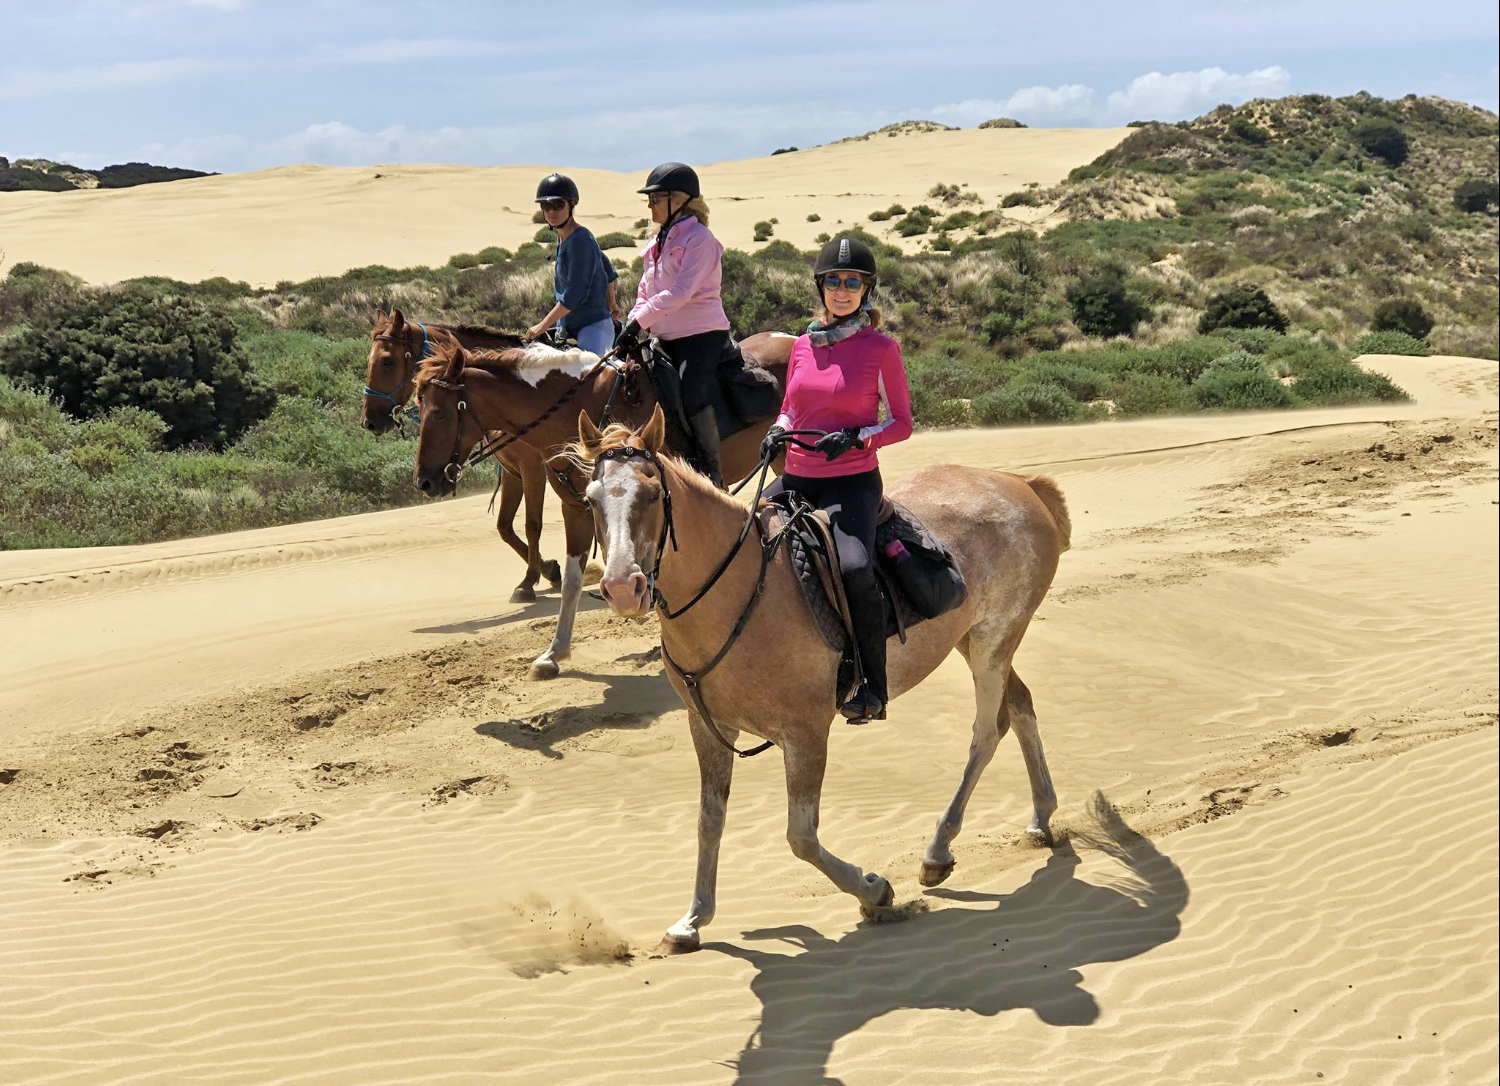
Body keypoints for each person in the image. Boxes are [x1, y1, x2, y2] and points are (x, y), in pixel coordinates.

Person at [759, 236, 912, 723]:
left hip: (851, 482)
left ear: (866, 290)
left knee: (854, 568)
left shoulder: (882, 349)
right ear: (821, 288)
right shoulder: (803, 345)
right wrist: (778, 429)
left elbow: (902, 423)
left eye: (852, 282)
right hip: (797, 476)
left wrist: (857, 439)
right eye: (833, 282)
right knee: (740, 538)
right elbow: (791, 406)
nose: (841, 291)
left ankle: (872, 686)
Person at [615, 161, 731, 487]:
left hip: (702, 334)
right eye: (649, 199)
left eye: (656, 198)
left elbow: (680, 292)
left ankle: (711, 469)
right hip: (664, 334)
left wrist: (640, 322)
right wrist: (633, 323)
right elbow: (645, 290)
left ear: (678, 200)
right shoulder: (656, 241)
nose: (650, 205)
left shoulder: (700, 238)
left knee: (693, 391)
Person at [526, 173, 620, 357]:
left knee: (592, 372)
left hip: (592, 327)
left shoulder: (581, 239)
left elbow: (574, 295)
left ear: (571, 204)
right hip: (567, 329)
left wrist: (541, 326)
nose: (551, 212)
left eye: (558, 205)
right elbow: (607, 267)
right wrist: (612, 302)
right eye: (546, 206)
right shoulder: (563, 238)